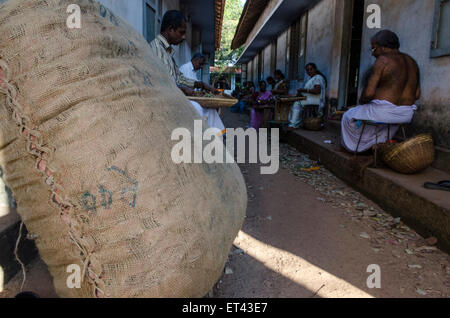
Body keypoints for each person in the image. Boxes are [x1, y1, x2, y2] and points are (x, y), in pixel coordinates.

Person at [341, 30, 419, 153]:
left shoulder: (383, 60)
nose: (373, 54)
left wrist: (362, 102)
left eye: (374, 49)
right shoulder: (412, 62)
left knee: (347, 115)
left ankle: (357, 148)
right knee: (383, 121)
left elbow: (368, 94)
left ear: (382, 47)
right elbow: (417, 94)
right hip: (406, 114)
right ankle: (376, 145)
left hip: (383, 112)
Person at [149, 10, 225, 132]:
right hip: (164, 101)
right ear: (170, 29)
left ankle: (213, 141)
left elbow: (178, 78)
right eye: (182, 32)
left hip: (173, 96)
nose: (184, 37)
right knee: (197, 109)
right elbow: (163, 82)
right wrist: (184, 89)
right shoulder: (157, 49)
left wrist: (202, 85)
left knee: (210, 110)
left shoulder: (167, 51)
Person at [287, 63, 327, 129]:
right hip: (312, 99)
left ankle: (293, 124)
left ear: (315, 69)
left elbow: (317, 91)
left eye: (311, 69)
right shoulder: (313, 78)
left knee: (297, 103)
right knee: (293, 103)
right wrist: (301, 92)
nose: (309, 71)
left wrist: (304, 90)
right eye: (307, 70)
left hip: (317, 100)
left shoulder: (318, 78)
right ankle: (296, 123)